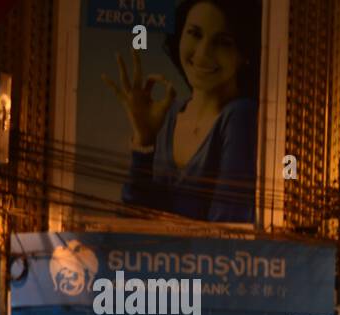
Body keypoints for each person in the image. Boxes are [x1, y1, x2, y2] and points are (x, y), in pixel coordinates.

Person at [106, 0, 261, 223]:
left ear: (243, 54)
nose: (203, 53)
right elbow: (132, 217)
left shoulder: (240, 115)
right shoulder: (168, 116)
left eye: (223, 42)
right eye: (195, 34)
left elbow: (227, 228)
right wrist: (144, 140)